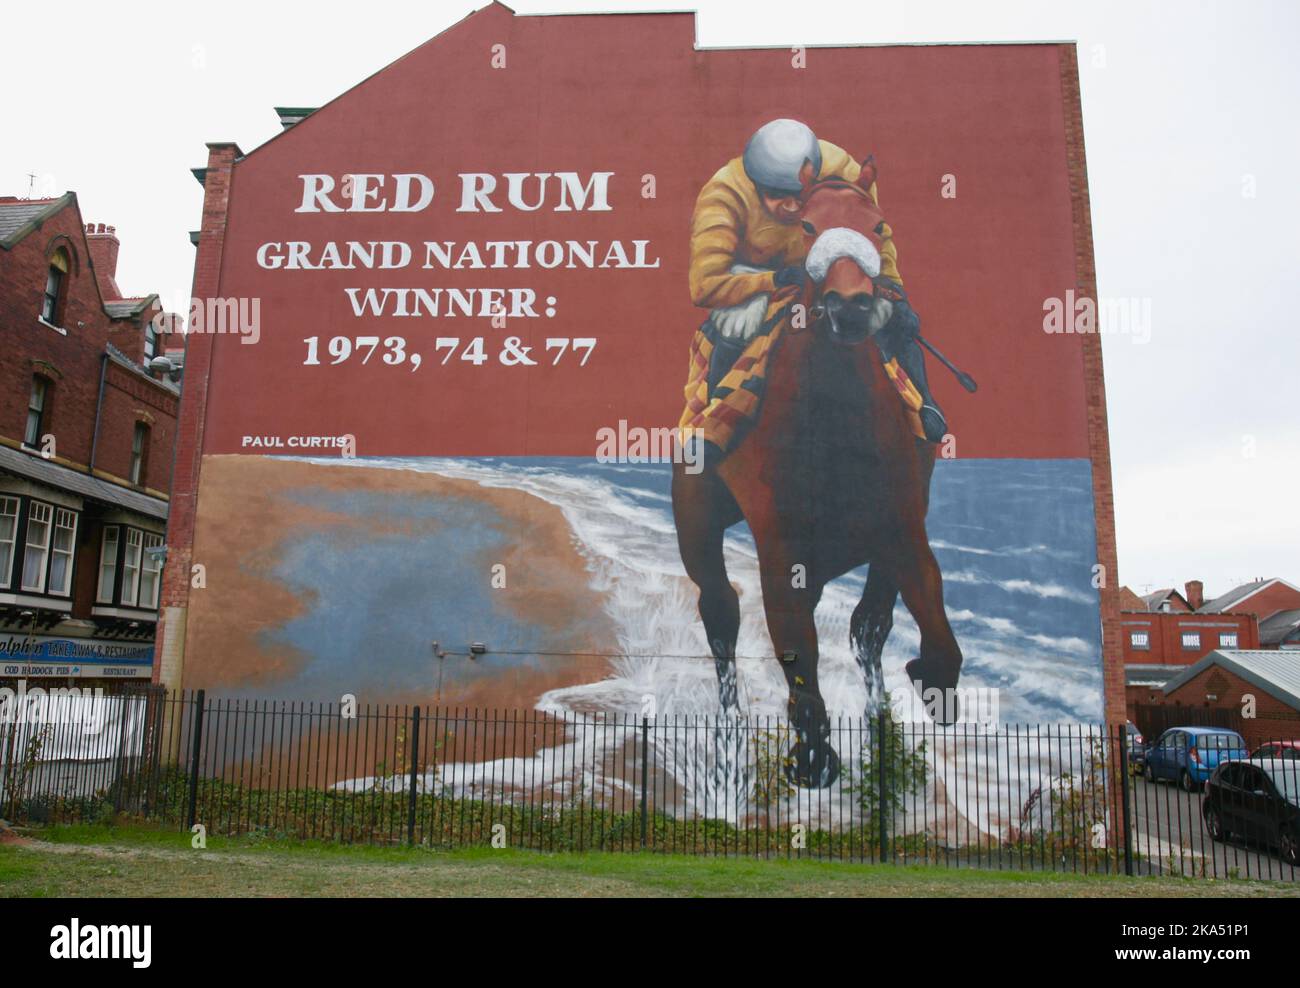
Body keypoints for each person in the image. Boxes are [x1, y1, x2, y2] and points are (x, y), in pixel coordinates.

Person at [679, 118, 947, 455]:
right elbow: (705, 286)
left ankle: (925, 403)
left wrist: (891, 286)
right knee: (736, 324)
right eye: (776, 196)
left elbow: (876, 231)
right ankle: (715, 425)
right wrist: (771, 281)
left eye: (797, 195)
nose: (790, 206)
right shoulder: (723, 196)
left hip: (831, 272)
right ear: (754, 184)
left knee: (893, 316)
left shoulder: (846, 172)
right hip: (756, 279)